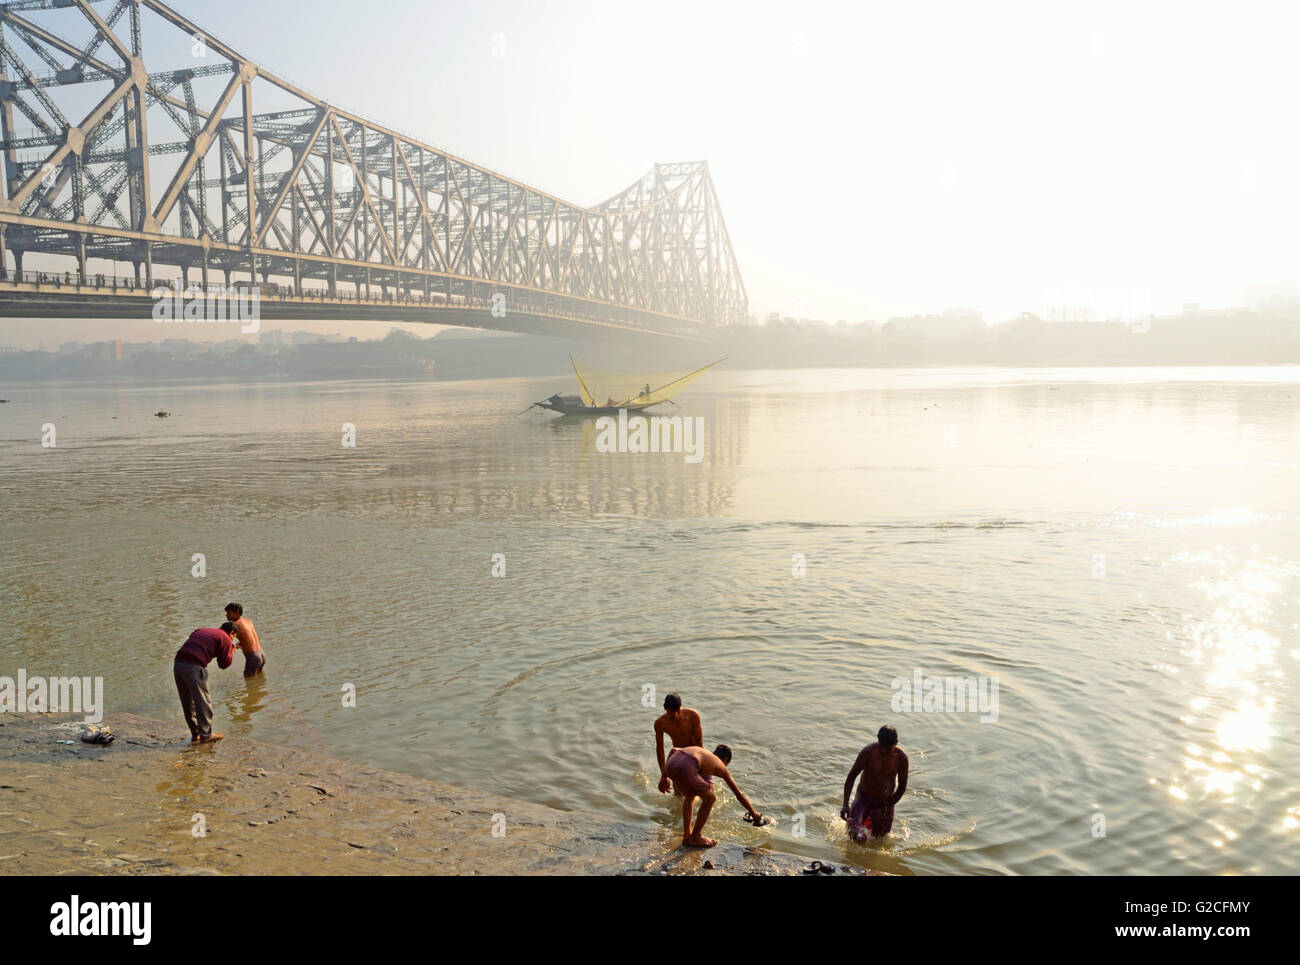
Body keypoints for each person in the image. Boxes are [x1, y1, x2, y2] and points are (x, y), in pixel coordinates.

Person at [663, 744, 764, 848]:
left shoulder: (704, 754)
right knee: (711, 799)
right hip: (686, 767)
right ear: (725, 760)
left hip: (671, 764)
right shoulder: (720, 765)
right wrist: (754, 814)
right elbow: (739, 795)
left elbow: (673, 750)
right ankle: (695, 837)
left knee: (690, 795)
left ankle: (687, 836)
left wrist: (664, 777)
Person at [841, 725, 909, 841]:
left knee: (880, 839)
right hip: (863, 798)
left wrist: (885, 808)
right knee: (854, 835)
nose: (883, 751)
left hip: (885, 802)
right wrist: (845, 804)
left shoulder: (901, 759)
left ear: (896, 743)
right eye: (881, 747)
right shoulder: (868, 752)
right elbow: (851, 776)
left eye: (887, 750)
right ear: (878, 739)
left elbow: (902, 788)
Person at [173, 623, 237, 743]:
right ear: (232, 633)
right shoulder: (226, 638)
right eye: (234, 636)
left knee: (187, 702)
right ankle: (206, 735)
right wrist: (231, 651)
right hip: (194, 667)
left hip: (178, 664)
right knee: (203, 701)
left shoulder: (202, 630)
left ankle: (195, 733)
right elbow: (224, 664)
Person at [654, 693, 703, 794]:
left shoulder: (693, 716)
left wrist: (700, 766)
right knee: (678, 794)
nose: (675, 715)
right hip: (679, 757)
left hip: (696, 755)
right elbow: (660, 750)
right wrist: (664, 775)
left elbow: (699, 744)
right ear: (665, 708)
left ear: (681, 707)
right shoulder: (660, 723)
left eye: (678, 710)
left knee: (702, 790)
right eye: (671, 711)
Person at [224, 602, 265, 677]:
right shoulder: (248, 621)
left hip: (253, 657)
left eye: (228, 612)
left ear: (236, 612)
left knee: (249, 682)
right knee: (260, 679)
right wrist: (238, 645)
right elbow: (248, 638)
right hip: (261, 653)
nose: (226, 615)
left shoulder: (235, 625)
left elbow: (225, 640)